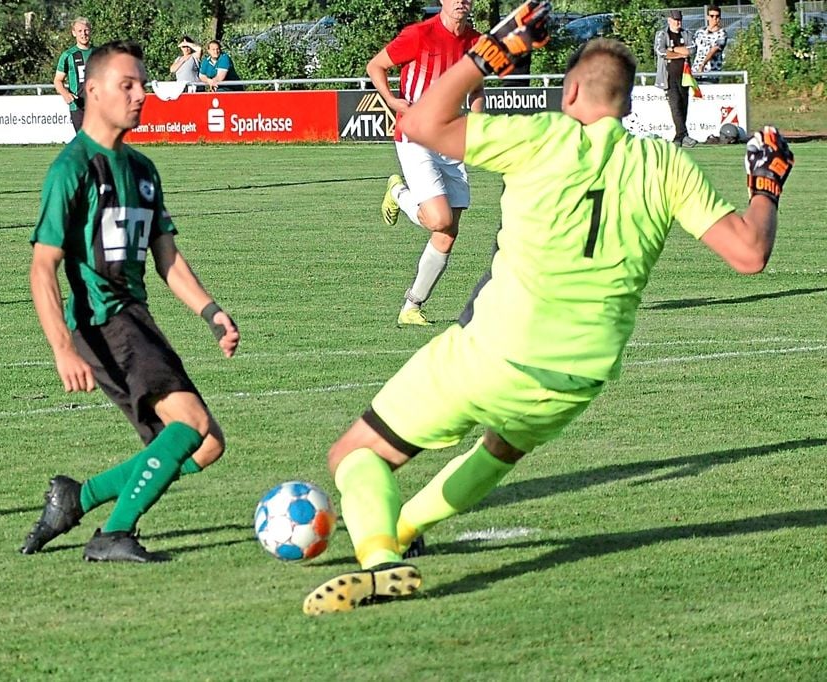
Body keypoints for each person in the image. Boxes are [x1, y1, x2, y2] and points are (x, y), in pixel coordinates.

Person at [300, 3, 794, 615]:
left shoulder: (541, 137)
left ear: (573, 92)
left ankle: (379, 562)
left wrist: (489, 53)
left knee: (356, 454)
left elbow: (422, 123)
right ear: (626, 102)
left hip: (493, 353)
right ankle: (404, 528)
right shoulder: (666, 164)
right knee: (501, 447)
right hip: (577, 379)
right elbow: (749, 253)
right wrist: (765, 188)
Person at [21, 40, 241, 563]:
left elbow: (167, 256)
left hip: (136, 320)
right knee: (190, 425)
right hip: (103, 321)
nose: (141, 93)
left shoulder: (143, 169)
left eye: (142, 83)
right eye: (128, 85)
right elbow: (42, 266)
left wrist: (211, 312)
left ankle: (78, 498)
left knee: (208, 444)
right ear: (93, 92)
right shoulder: (72, 168)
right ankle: (113, 533)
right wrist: (62, 347)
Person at [368, 0, 486, 326]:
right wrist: (392, 100)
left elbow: (476, 88)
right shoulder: (419, 34)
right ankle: (399, 194)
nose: (461, 1)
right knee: (438, 219)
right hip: (416, 133)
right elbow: (376, 66)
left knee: (448, 232)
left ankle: (411, 307)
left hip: (450, 138)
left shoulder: (477, 42)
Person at [654, 10, 697, 147]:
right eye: (675, 20)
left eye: (679, 20)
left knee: (683, 106)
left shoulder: (687, 34)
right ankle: (684, 135)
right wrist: (679, 53)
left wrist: (672, 49)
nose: (678, 23)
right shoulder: (662, 34)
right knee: (675, 106)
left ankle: (679, 138)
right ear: (669, 20)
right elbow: (661, 51)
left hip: (684, 76)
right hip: (668, 77)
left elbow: (691, 50)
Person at [54, 17, 94, 131]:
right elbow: (58, 80)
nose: (83, 34)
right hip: (78, 106)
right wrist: (65, 94)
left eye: (86, 30)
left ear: (90, 31)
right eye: (79, 31)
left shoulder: (99, 53)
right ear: (74, 33)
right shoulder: (68, 55)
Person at [693, 5, 728, 77]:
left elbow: (713, 50)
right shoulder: (699, 32)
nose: (714, 18)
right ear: (707, 17)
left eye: (717, 16)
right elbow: (693, 48)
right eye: (712, 16)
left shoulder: (722, 33)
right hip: (696, 71)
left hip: (712, 72)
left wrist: (703, 64)